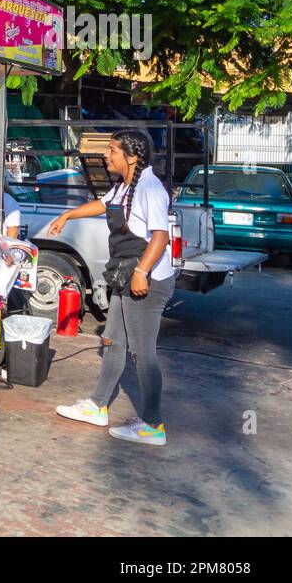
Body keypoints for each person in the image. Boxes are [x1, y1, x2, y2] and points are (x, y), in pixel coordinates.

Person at [51, 129, 174, 446]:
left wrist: (143, 272)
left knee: (142, 353)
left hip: (147, 280)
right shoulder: (124, 186)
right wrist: (68, 214)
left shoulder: (150, 188)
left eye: (113, 150)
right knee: (113, 342)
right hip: (126, 275)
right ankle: (97, 406)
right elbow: (103, 205)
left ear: (132, 157)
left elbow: (160, 236)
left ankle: (152, 424)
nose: (107, 155)